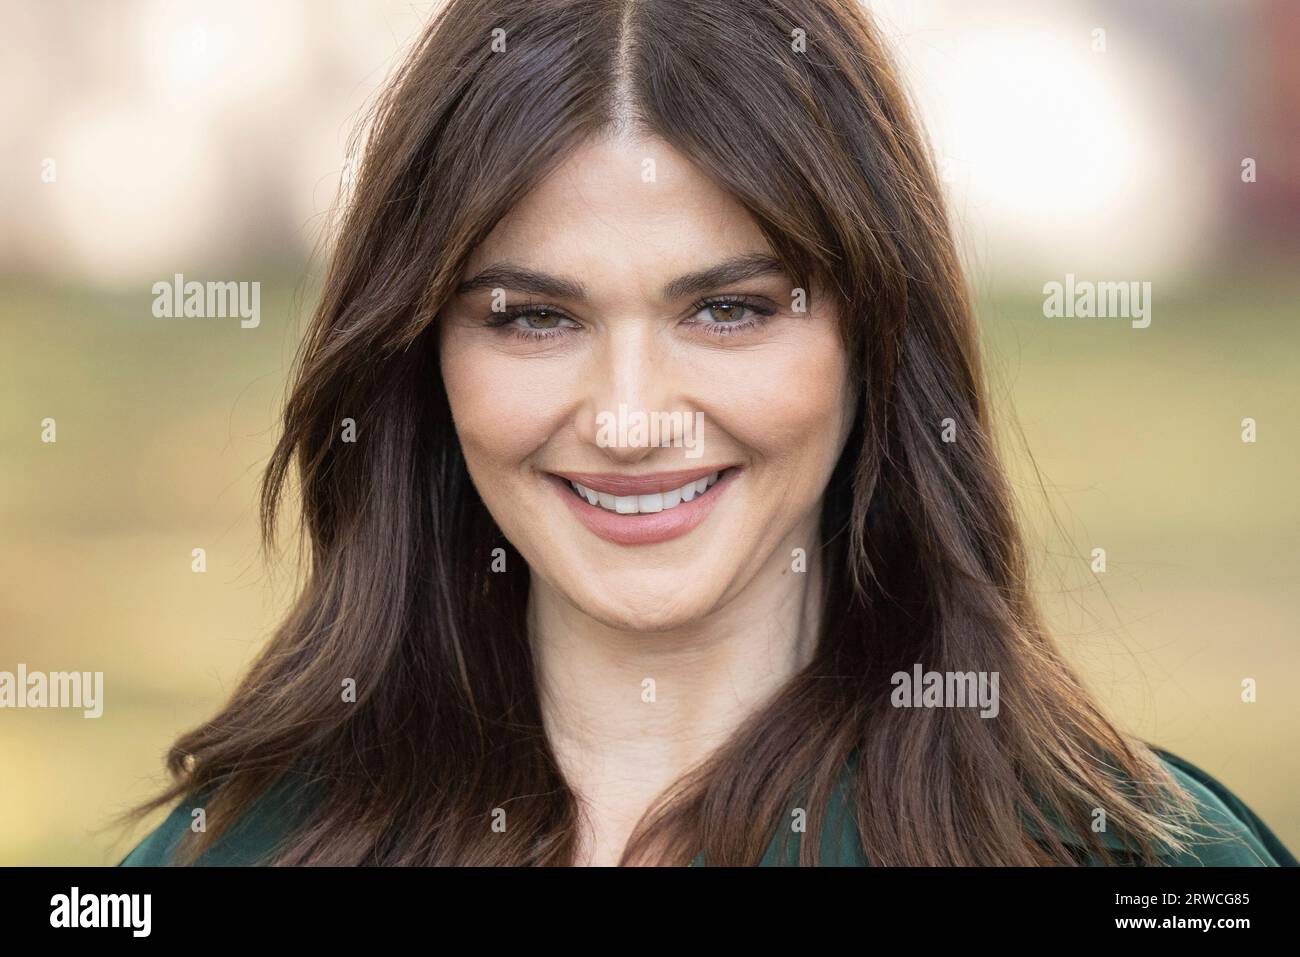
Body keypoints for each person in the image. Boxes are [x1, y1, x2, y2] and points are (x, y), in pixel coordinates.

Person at [117, 0, 1295, 867]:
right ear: (422, 359)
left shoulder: (1145, 864)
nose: (629, 419)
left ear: (876, 337)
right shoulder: (228, 854)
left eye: (727, 309)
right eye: (532, 317)